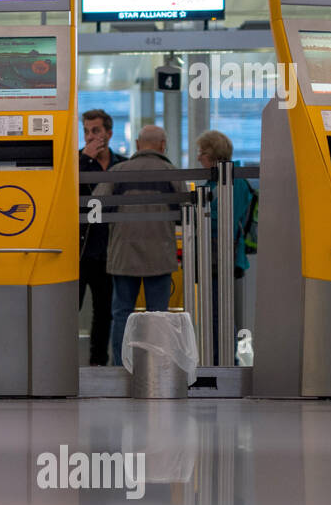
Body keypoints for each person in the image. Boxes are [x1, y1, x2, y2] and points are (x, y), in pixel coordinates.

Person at [92, 125, 179, 366]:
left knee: (122, 314)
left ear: (138, 145)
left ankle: (121, 366)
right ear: (163, 146)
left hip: (123, 255)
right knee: (158, 315)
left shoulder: (118, 171)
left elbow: (96, 207)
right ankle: (158, 365)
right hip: (160, 256)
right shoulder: (172, 173)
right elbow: (186, 212)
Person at [196, 130, 254, 364]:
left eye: (201, 153)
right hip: (224, 256)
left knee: (218, 314)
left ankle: (223, 363)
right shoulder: (227, 180)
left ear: (210, 155)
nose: (198, 158)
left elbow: (222, 221)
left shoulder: (228, 182)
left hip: (220, 257)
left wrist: (196, 215)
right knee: (219, 313)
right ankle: (221, 360)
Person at [78, 109, 125, 365]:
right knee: (68, 306)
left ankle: (98, 361)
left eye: (95, 131)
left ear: (109, 132)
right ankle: (59, 358)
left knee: (105, 311)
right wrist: (85, 160)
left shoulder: (122, 164)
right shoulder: (76, 161)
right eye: (86, 131)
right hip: (80, 249)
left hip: (111, 249)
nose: (90, 137)